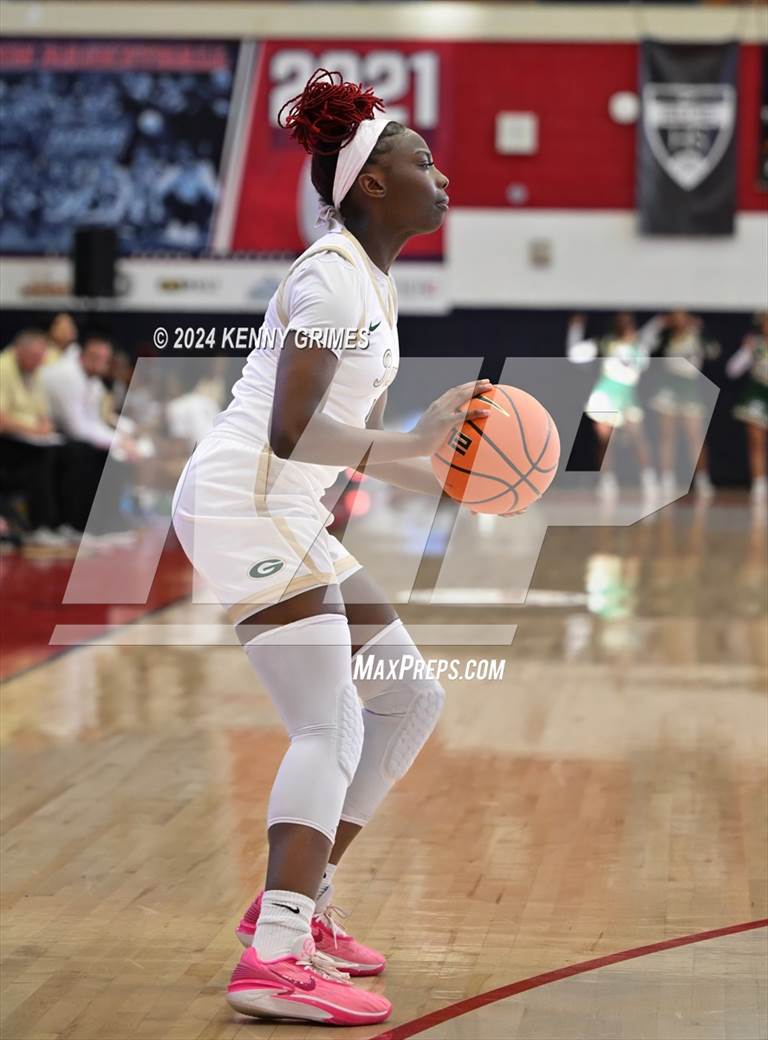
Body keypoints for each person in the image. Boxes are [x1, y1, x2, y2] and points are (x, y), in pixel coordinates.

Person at [172, 69, 514, 1026]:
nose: (441, 174)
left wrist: (451, 477)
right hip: (249, 498)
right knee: (331, 724)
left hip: (285, 505)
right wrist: (410, 446)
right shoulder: (327, 274)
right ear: (371, 182)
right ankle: (272, 958)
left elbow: (335, 448)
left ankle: (296, 904)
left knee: (408, 695)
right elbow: (288, 429)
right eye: (422, 160)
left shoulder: (369, 280)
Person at [41, 331, 138, 534]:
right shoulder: (67, 375)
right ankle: (77, 525)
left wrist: (120, 440)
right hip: (49, 435)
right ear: (83, 355)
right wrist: (118, 441)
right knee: (83, 453)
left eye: (104, 359)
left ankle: (104, 520)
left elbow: (95, 421)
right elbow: (75, 427)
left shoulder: (92, 380)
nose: (101, 364)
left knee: (111, 457)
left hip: (62, 434)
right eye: (96, 358)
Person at [567, 313, 660, 501]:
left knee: (638, 438)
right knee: (606, 440)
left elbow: (646, 351)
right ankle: (607, 479)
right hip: (606, 394)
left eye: (629, 324)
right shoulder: (604, 343)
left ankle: (649, 478)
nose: (626, 328)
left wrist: (658, 323)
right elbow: (575, 354)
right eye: (622, 324)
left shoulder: (639, 346)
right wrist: (575, 329)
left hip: (627, 395)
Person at [0, 328, 68, 547]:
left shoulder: (34, 371)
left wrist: (45, 425)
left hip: (29, 439)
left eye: (41, 358)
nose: (40, 363)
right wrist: (35, 430)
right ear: (20, 351)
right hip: (7, 441)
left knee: (68, 453)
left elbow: (42, 412)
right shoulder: (3, 368)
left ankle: (65, 523)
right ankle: (41, 526)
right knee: (40, 457)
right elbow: (2, 421)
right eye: (35, 358)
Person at [646, 310, 719, 498]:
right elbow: (644, 343)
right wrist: (658, 323)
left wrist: (701, 330)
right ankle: (666, 478)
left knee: (695, 437)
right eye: (675, 316)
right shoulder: (666, 337)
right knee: (666, 436)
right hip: (669, 386)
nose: (679, 320)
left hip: (690, 387)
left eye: (683, 315)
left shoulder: (697, 336)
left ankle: (702, 479)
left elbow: (714, 351)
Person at [726, 312, 768, 504]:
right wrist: (745, 350)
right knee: (756, 440)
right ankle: (759, 483)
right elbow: (732, 370)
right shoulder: (755, 344)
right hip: (757, 396)